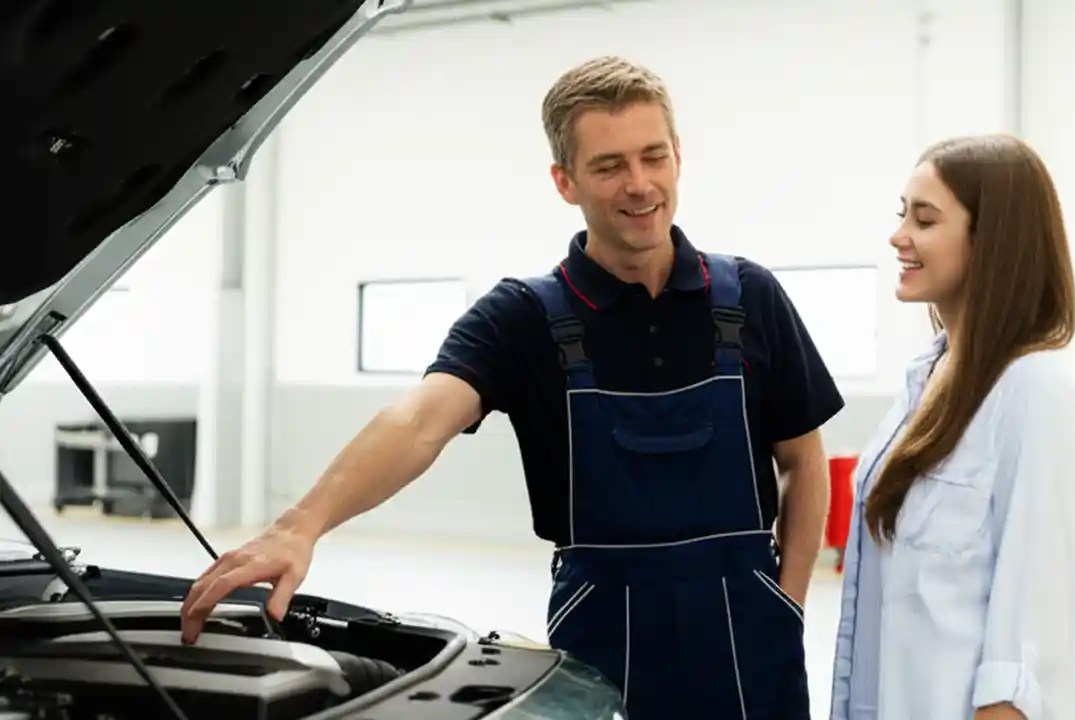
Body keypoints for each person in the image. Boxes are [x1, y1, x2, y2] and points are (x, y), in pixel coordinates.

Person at [180, 55, 844, 719]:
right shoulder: (523, 317)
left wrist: (785, 601)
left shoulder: (749, 295)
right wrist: (302, 526)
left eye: (654, 156)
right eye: (609, 166)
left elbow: (804, 461)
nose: (640, 185)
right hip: (606, 632)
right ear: (565, 181)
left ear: (678, 157)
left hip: (750, 628)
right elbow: (418, 421)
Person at [829, 134, 1075, 720]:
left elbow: (1030, 633)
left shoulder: (1034, 391)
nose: (900, 236)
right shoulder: (926, 382)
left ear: (992, 242)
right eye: (903, 215)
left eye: (925, 220)